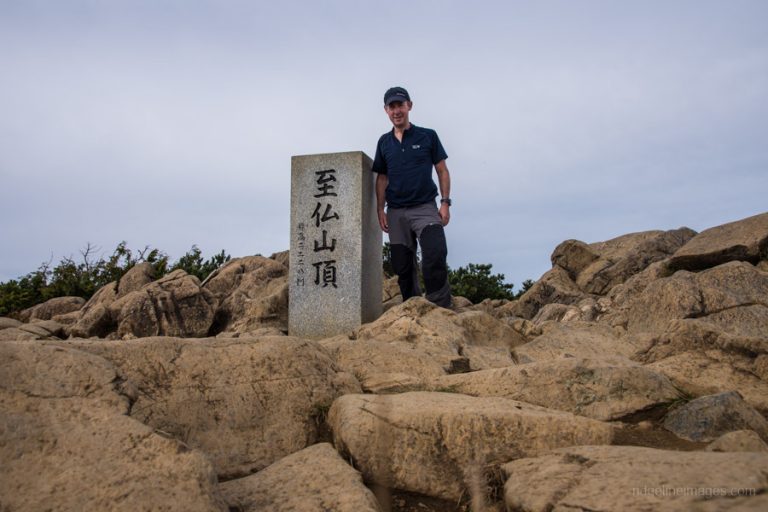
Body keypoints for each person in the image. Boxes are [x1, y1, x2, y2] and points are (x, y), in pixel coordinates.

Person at [372, 86, 452, 308]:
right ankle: (413, 307)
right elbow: (382, 178)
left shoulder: (428, 135)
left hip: (425, 207)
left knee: (435, 253)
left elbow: (442, 170)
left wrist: (445, 203)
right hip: (396, 212)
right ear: (386, 110)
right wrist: (380, 210)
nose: (396, 111)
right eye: (392, 107)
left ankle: (441, 307)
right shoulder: (384, 142)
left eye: (400, 105)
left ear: (409, 106)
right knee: (402, 266)